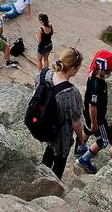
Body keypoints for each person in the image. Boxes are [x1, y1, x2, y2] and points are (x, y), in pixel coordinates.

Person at [32, 47, 86, 179]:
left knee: (49, 149)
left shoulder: (43, 75)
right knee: (60, 161)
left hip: (43, 124)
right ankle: (53, 183)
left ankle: (42, 174)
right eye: (78, 67)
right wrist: (81, 137)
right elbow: (76, 122)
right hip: (61, 134)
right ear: (73, 69)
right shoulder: (72, 93)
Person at [77, 50, 112, 174]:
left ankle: (80, 148)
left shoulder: (91, 76)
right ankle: (84, 160)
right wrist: (95, 123)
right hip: (98, 119)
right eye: (110, 69)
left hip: (87, 114)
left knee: (87, 129)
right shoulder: (99, 85)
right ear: (104, 68)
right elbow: (93, 106)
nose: (111, 71)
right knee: (103, 141)